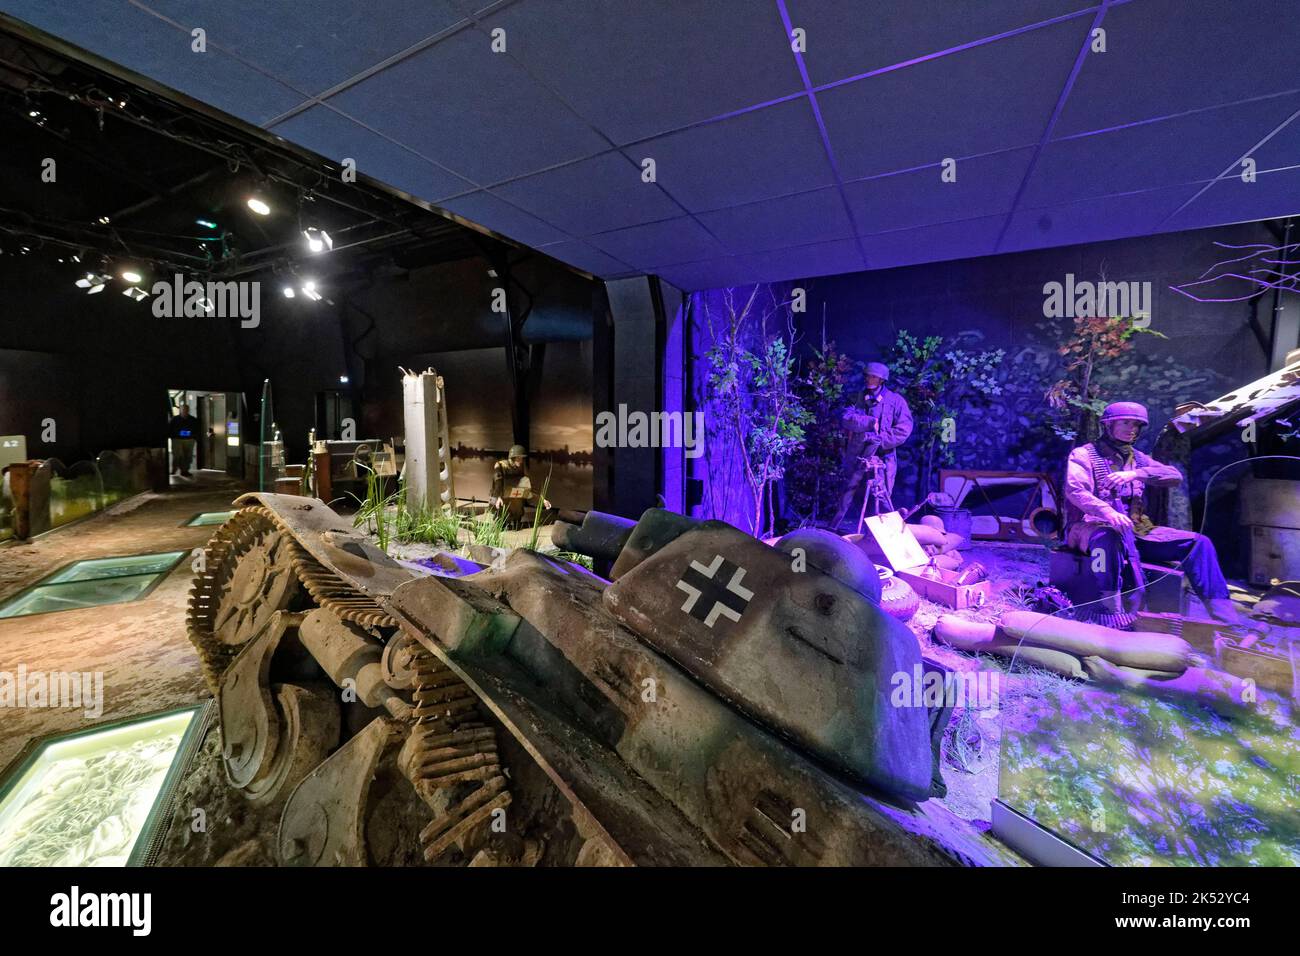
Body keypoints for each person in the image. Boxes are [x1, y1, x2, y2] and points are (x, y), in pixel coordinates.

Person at [1063, 401, 1264, 634]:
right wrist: (1108, 512)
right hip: (1091, 528)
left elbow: (1173, 475)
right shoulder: (1085, 454)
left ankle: (1227, 620)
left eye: (1137, 425)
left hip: (1136, 530)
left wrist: (1136, 473)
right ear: (1108, 424)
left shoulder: (1138, 459)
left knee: (1199, 544)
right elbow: (1076, 491)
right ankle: (1111, 610)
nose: (1132, 429)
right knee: (1108, 541)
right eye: (1126, 423)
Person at [831, 361, 913, 529]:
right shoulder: (857, 398)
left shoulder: (896, 401)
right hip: (858, 454)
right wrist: (869, 422)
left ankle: (889, 535)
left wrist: (880, 439)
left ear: (882, 380)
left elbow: (904, 429)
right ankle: (832, 530)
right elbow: (846, 418)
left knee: (882, 496)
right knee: (847, 493)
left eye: (874, 377)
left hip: (883, 457)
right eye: (867, 376)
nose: (869, 379)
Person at [490, 444, 551, 527]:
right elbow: (497, 483)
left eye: (522, 458)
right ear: (513, 458)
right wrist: (498, 497)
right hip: (501, 495)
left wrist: (543, 500)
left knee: (517, 509)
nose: (521, 461)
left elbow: (530, 487)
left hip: (514, 495)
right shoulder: (501, 466)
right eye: (519, 458)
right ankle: (501, 520)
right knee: (501, 515)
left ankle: (515, 520)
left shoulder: (522, 468)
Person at [168, 403, 200, 478]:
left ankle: (184, 470)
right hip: (177, 439)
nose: (184, 411)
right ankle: (174, 469)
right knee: (177, 455)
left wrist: (193, 436)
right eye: (183, 409)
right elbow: (170, 429)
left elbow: (196, 429)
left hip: (189, 440)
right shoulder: (175, 419)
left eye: (186, 409)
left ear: (188, 410)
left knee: (187, 455)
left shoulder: (193, 419)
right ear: (180, 410)